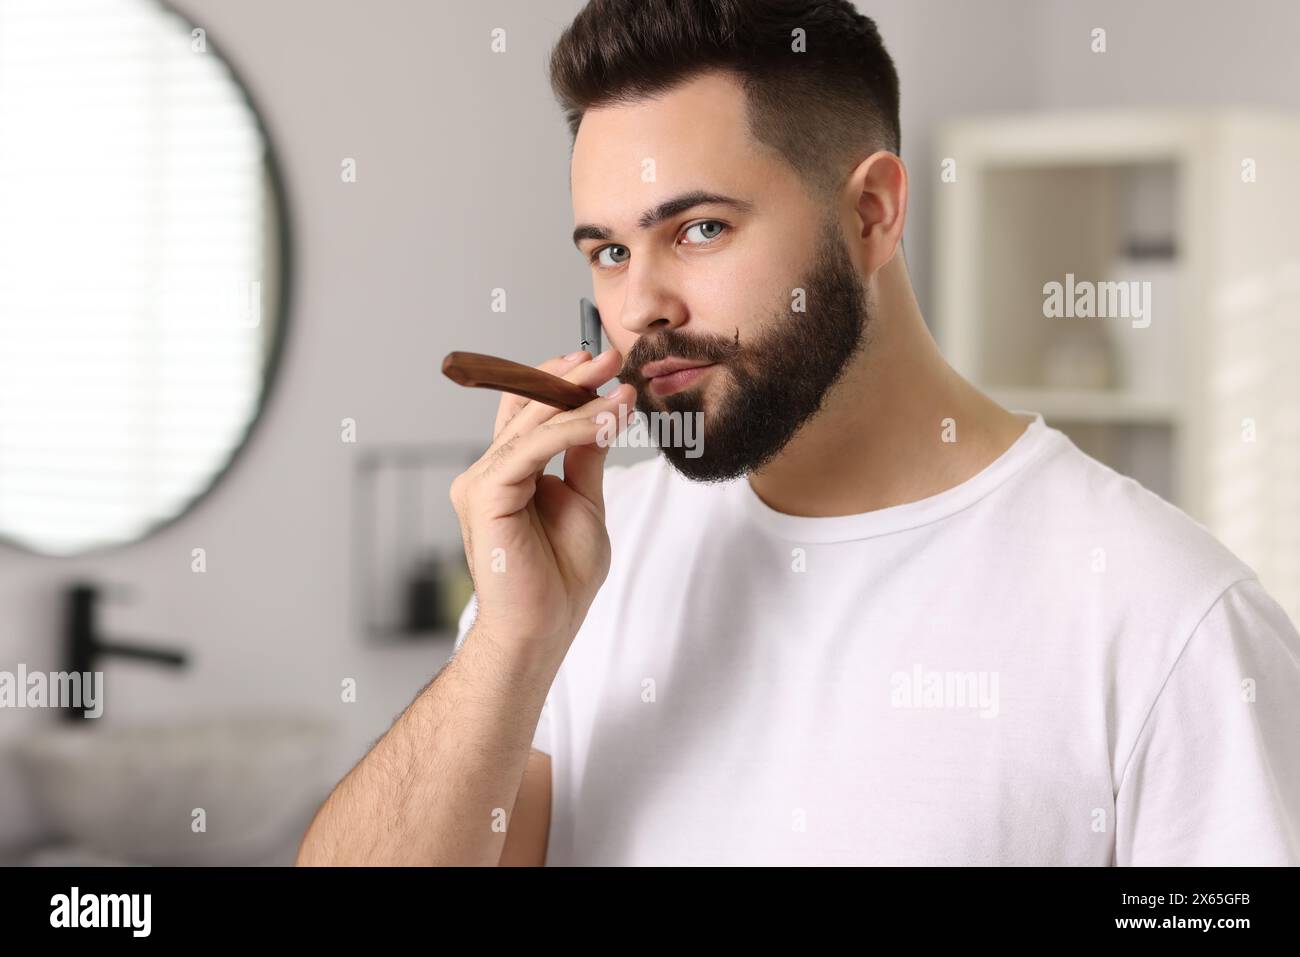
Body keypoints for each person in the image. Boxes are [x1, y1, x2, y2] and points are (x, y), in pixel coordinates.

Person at [297, 0, 1300, 866]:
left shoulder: (1167, 622)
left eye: (698, 231)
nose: (638, 305)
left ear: (870, 213)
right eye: (607, 250)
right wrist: (509, 643)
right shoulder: (578, 572)